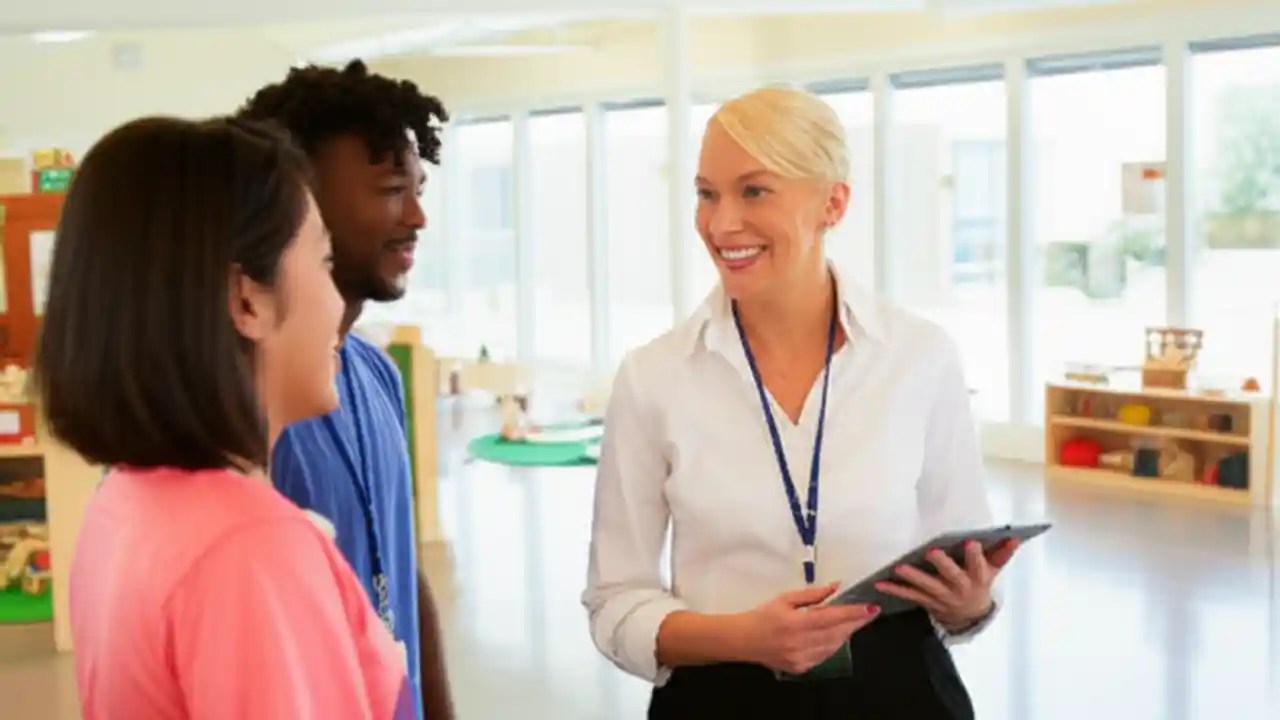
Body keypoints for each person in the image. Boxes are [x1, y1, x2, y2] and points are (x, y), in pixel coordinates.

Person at [582, 87, 1022, 719]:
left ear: (833, 203)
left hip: (900, 693)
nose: (721, 223)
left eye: (753, 191)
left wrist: (969, 605)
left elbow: (963, 575)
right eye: (707, 193)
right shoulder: (654, 377)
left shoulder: (921, 357)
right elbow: (614, 599)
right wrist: (745, 637)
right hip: (720, 696)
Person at [41, 116, 415, 718]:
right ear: (246, 299)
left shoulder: (128, 502)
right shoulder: (250, 547)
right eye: (323, 263)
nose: (334, 299)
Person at [237, 60, 453, 720]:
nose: (416, 216)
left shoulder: (375, 372)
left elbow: (403, 572)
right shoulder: (247, 404)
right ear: (299, 198)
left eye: (418, 189)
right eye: (391, 189)